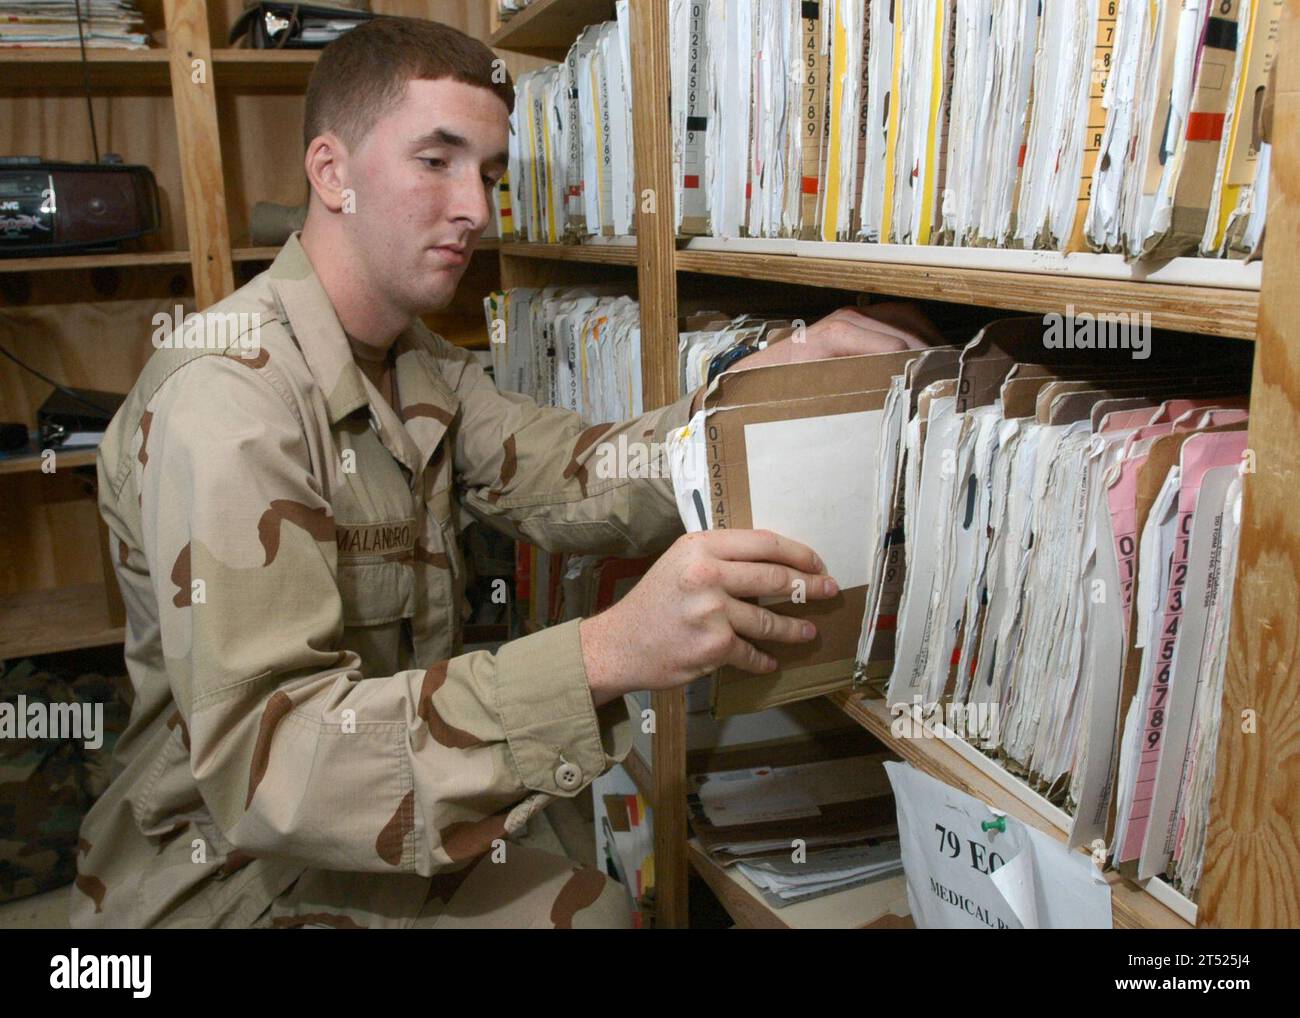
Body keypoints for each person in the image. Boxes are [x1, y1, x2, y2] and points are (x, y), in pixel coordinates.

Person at [72, 16, 937, 929]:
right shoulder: (227, 400)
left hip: (365, 812)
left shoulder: (417, 362)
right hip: (222, 867)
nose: (476, 211)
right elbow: (270, 768)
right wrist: (608, 652)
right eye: (435, 161)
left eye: (486, 174)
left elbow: (573, 475)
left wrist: (740, 397)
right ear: (332, 174)